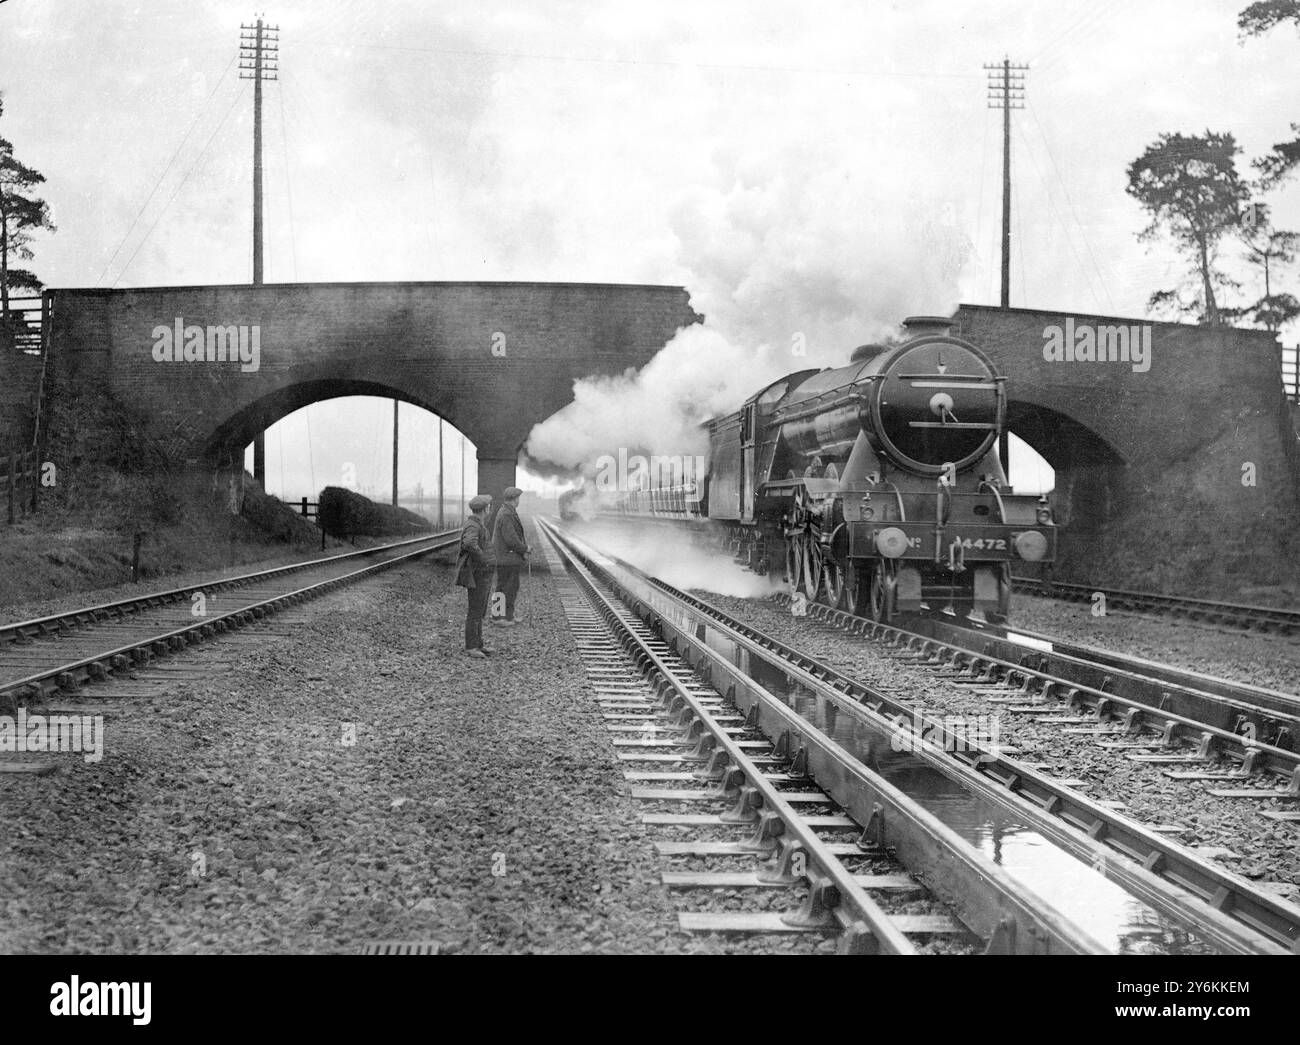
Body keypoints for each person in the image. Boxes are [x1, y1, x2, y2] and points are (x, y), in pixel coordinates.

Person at [455, 494, 496, 658]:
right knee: (475, 610)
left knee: (480, 609)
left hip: (482, 573)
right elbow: (469, 543)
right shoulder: (474, 525)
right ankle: (471, 646)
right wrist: (484, 558)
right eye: (489, 507)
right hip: (477, 573)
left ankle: (478, 644)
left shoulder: (477, 523)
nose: (490, 509)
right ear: (485, 509)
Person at [490, 486, 530, 625]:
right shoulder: (506, 514)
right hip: (506, 557)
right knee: (506, 587)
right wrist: (524, 548)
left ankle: (507, 616)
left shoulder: (508, 511)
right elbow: (511, 539)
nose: (519, 500)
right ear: (514, 499)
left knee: (508, 587)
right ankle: (499, 618)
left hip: (507, 557)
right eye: (518, 498)